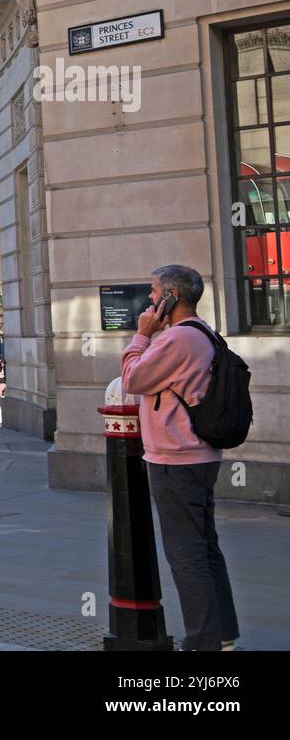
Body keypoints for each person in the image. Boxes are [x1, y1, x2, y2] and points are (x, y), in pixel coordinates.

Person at [121, 264, 239, 652]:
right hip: (199, 455)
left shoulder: (176, 340)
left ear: (172, 296)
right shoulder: (203, 332)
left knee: (186, 555)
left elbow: (133, 379)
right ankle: (222, 636)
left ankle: (203, 642)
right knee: (205, 547)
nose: (149, 299)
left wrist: (141, 335)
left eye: (154, 292)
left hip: (175, 458)